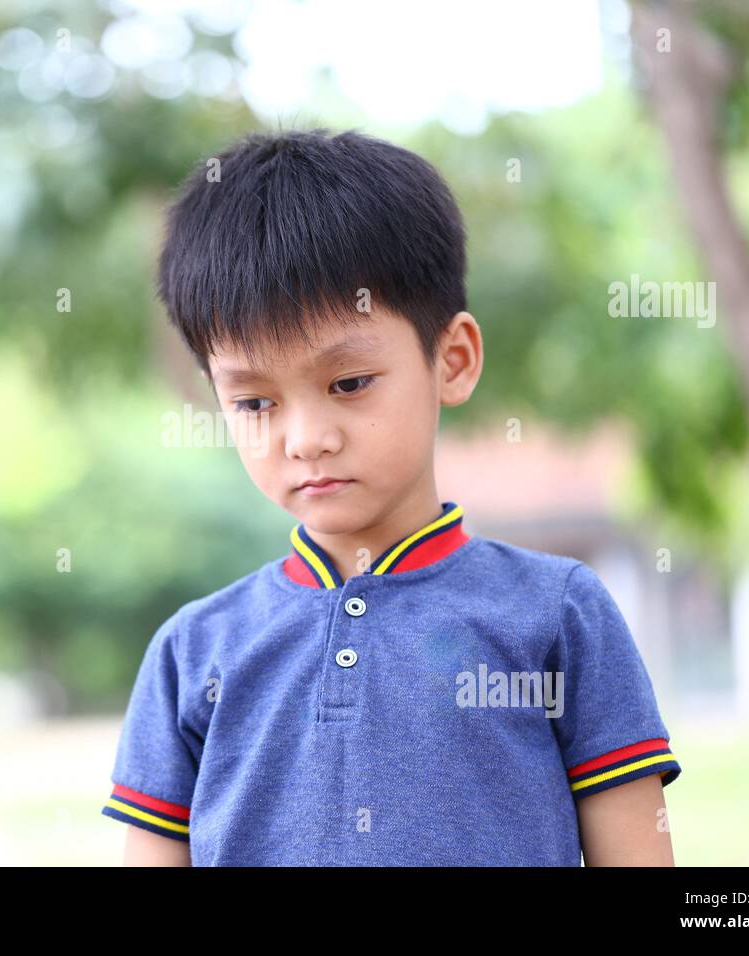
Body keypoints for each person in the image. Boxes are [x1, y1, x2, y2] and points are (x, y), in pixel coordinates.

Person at [101, 128, 680, 866]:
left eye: (347, 384)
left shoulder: (556, 614)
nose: (305, 438)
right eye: (253, 403)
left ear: (454, 360)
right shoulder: (192, 652)